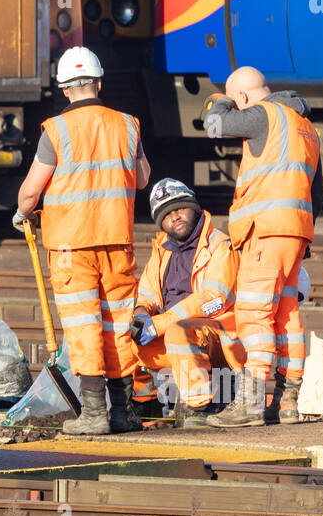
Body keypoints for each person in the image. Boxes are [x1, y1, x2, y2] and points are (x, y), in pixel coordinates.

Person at [14, 46, 152, 435]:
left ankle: (93, 415)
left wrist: (22, 214)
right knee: (118, 326)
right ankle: (124, 413)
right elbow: (142, 179)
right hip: (117, 244)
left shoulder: (55, 130)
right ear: (98, 83)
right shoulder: (127, 125)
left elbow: (30, 193)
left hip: (73, 249)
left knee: (85, 327)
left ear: (64, 89)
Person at [201, 66, 323, 427]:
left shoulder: (262, 115)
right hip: (294, 235)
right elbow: (319, 194)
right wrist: (299, 232)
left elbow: (214, 125)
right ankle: (287, 403)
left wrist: (221, 100)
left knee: (254, 313)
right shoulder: (307, 129)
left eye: (236, 101)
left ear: (242, 98)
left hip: (265, 233)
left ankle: (250, 405)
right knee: (286, 315)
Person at [129, 178, 242, 428]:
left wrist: (162, 323)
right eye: (166, 214)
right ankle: (145, 401)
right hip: (175, 337)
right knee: (125, 334)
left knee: (179, 332)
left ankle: (198, 408)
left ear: (194, 206)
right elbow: (147, 294)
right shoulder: (162, 250)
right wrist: (140, 315)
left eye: (179, 207)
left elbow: (216, 299)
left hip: (221, 338)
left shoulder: (219, 245)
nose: (175, 217)